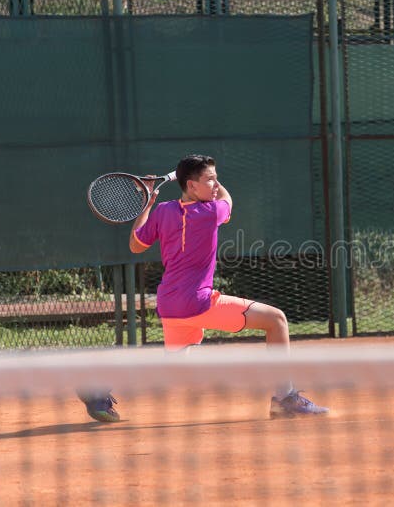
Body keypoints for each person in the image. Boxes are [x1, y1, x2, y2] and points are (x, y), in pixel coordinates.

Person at [79, 154, 328, 422]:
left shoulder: (162, 211)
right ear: (191, 185)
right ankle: (285, 398)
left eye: (216, 179)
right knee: (276, 320)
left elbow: (136, 244)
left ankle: (98, 387)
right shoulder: (210, 212)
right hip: (197, 302)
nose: (215, 184)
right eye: (210, 179)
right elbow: (228, 203)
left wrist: (147, 206)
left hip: (170, 303)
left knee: (173, 367)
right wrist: (217, 188)